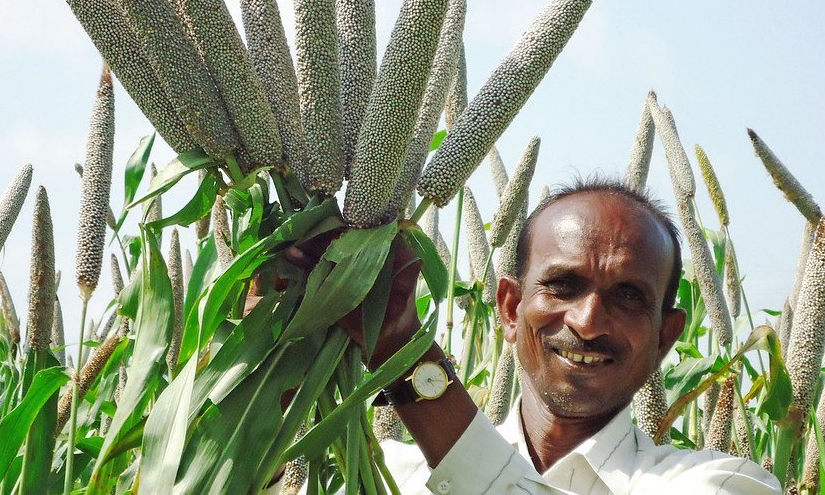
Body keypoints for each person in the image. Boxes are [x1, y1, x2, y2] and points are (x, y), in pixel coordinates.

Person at [269, 177, 779, 494]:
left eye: (628, 297)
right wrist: (268, 368)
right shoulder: (388, 474)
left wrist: (402, 350)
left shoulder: (723, 484)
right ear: (511, 309)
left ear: (665, 337)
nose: (587, 322)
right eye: (563, 286)